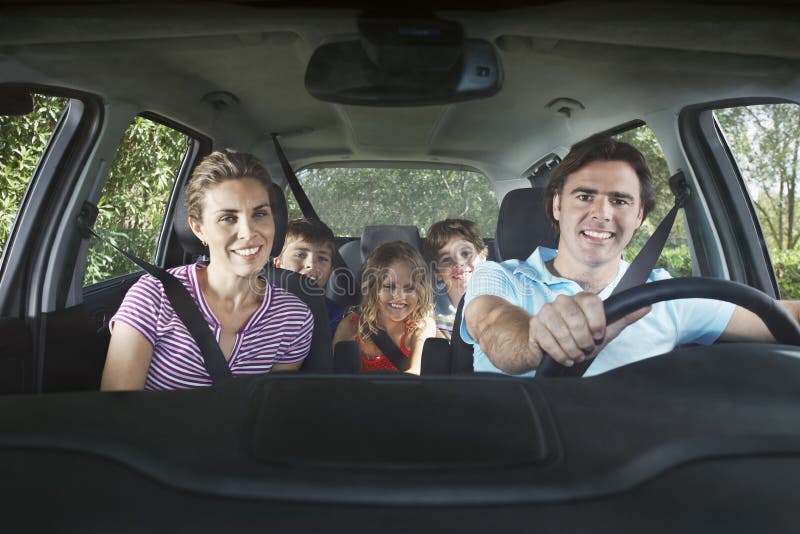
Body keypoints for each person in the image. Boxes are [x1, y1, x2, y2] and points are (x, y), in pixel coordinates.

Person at [462, 134, 800, 376]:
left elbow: (779, 318)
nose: (602, 213)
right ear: (557, 205)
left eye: (620, 201)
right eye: (584, 196)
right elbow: (494, 326)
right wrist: (539, 337)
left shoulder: (667, 295)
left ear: (638, 217)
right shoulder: (499, 276)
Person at [101, 150, 314, 391]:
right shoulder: (153, 296)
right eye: (228, 218)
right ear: (199, 228)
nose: (249, 232)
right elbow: (115, 415)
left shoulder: (294, 318)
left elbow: (270, 408)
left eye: (259, 214)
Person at [333, 241, 437, 374]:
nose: (399, 296)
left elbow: (415, 375)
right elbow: (339, 380)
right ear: (373, 288)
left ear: (420, 290)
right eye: (389, 286)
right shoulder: (351, 325)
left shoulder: (422, 324)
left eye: (409, 288)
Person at [274, 217, 346, 334]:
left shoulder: (337, 316)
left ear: (331, 271)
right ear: (278, 264)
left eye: (322, 258)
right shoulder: (259, 307)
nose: (312, 265)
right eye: (300, 255)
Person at [422, 218, 488, 339]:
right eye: (447, 259)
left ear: (482, 257)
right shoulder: (429, 311)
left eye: (465, 254)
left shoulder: (499, 301)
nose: (459, 263)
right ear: (437, 271)